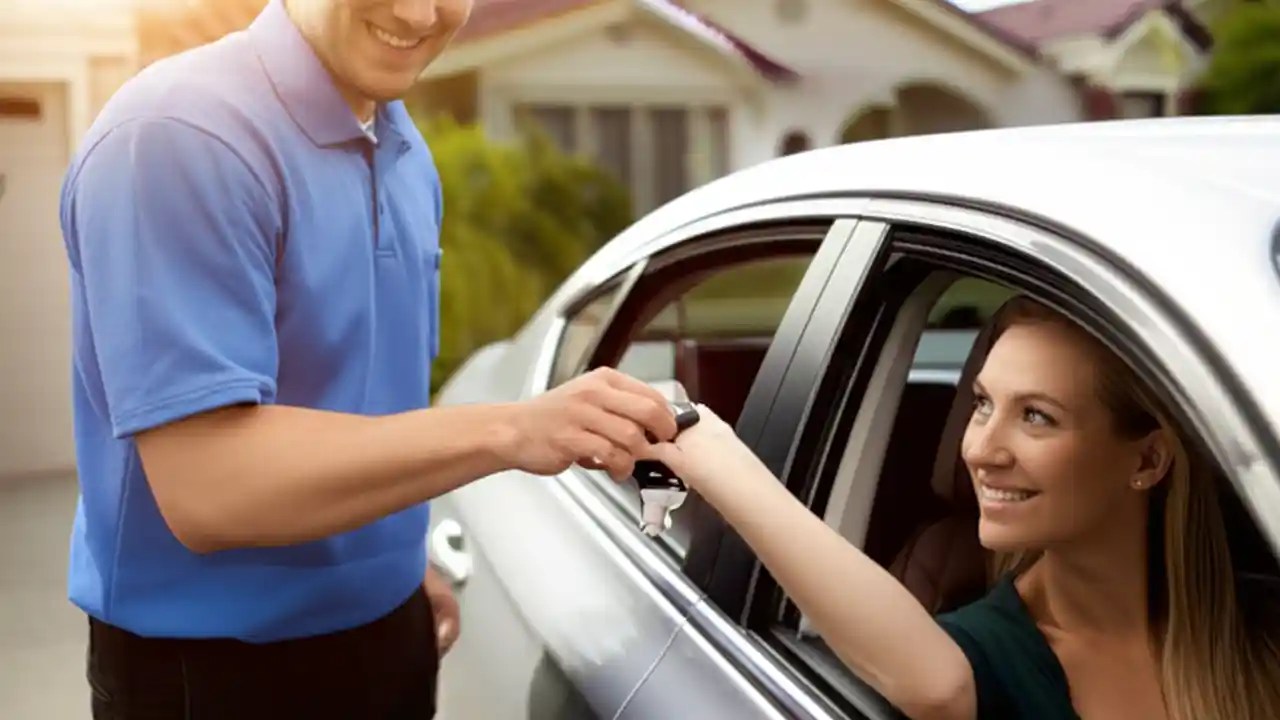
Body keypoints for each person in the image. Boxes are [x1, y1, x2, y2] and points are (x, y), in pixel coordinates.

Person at [59, 1, 678, 717]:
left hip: (387, 636)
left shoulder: (399, 142)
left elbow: (359, 399)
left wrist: (394, 562)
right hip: (219, 675)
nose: (419, 12)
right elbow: (209, 487)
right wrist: (510, 429)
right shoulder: (179, 135)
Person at [645, 296, 1280, 719]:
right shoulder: (988, 652)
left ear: (1146, 462)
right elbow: (937, 684)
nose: (979, 449)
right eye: (982, 403)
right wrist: (704, 444)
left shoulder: (1252, 638)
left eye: (1035, 416)